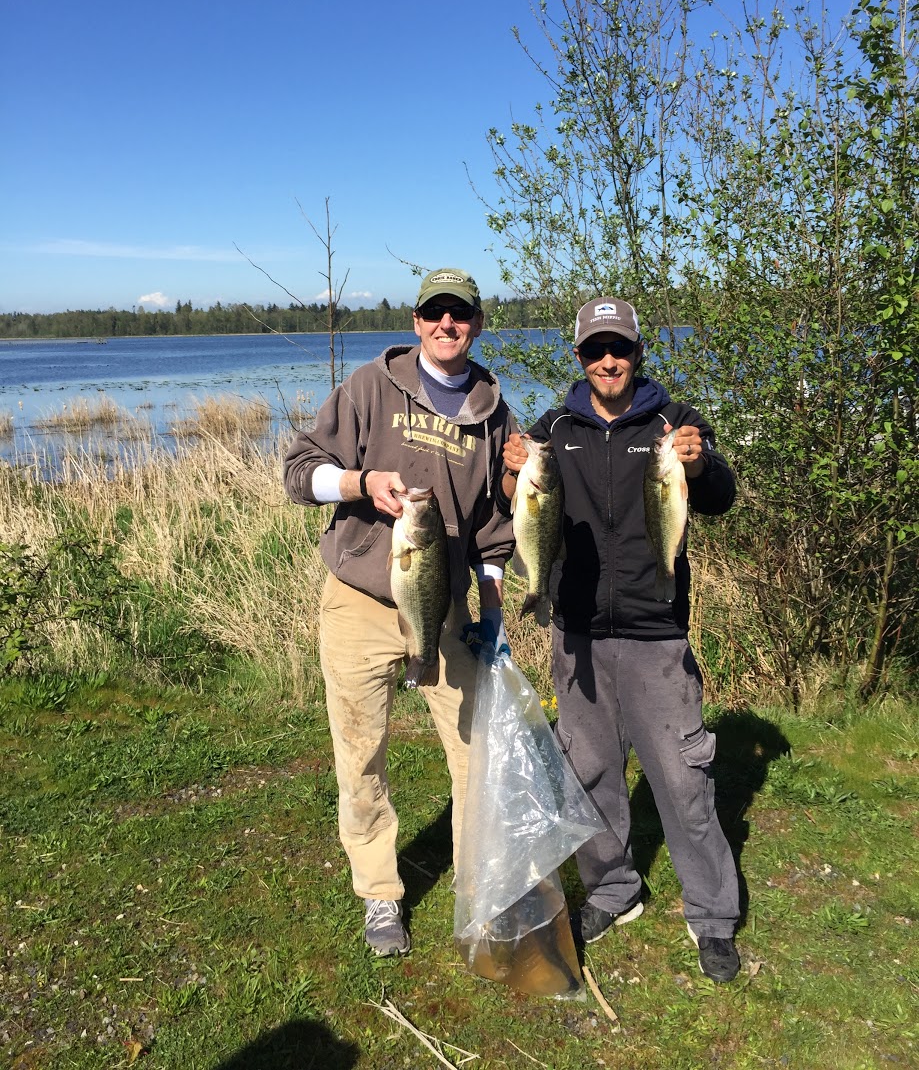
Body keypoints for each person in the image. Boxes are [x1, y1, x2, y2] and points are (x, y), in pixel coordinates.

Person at [499, 297, 742, 983]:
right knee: (590, 773)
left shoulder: (675, 422)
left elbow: (720, 495)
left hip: (654, 629)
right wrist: (512, 471)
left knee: (680, 778)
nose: (609, 360)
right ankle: (613, 890)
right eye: (594, 349)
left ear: (638, 354)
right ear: (578, 356)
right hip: (574, 631)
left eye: (621, 348)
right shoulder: (555, 428)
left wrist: (698, 465)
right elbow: (515, 507)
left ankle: (713, 916)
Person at [284, 269, 515, 957]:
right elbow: (299, 470)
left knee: (478, 754)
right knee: (361, 756)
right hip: (357, 601)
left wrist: (494, 604)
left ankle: (482, 886)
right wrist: (357, 483)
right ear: (416, 321)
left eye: (460, 314)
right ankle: (380, 895)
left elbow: (496, 528)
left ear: (475, 323)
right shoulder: (368, 387)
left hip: (443, 608)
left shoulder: (495, 413)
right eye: (434, 312)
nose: (447, 324)